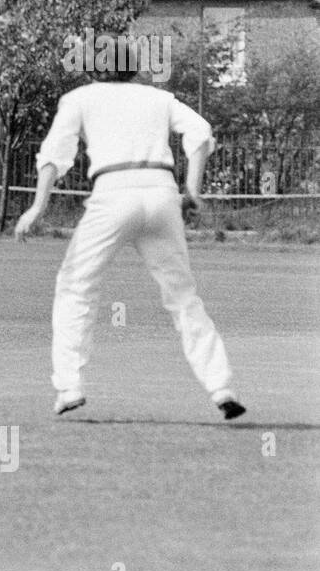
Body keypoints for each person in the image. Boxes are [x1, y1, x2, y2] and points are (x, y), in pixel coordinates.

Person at [13, 62, 245, 420]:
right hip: (162, 192)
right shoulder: (157, 96)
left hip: (113, 192)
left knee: (75, 287)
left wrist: (37, 207)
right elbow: (199, 131)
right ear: (135, 68)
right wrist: (193, 187)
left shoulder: (80, 97)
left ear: (93, 68)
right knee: (183, 297)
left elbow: (53, 156)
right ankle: (221, 387)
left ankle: (70, 387)